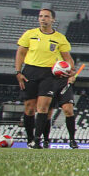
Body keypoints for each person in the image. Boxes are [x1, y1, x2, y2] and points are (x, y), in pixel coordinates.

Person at [15, 8, 75, 149]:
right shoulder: (30, 34)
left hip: (49, 74)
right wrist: (18, 72)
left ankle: (37, 141)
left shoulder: (60, 38)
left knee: (43, 107)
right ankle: (30, 139)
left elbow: (67, 58)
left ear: (53, 19)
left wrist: (70, 70)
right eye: (41, 16)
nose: (43, 18)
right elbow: (20, 53)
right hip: (30, 71)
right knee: (29, 108)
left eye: (46, 16)